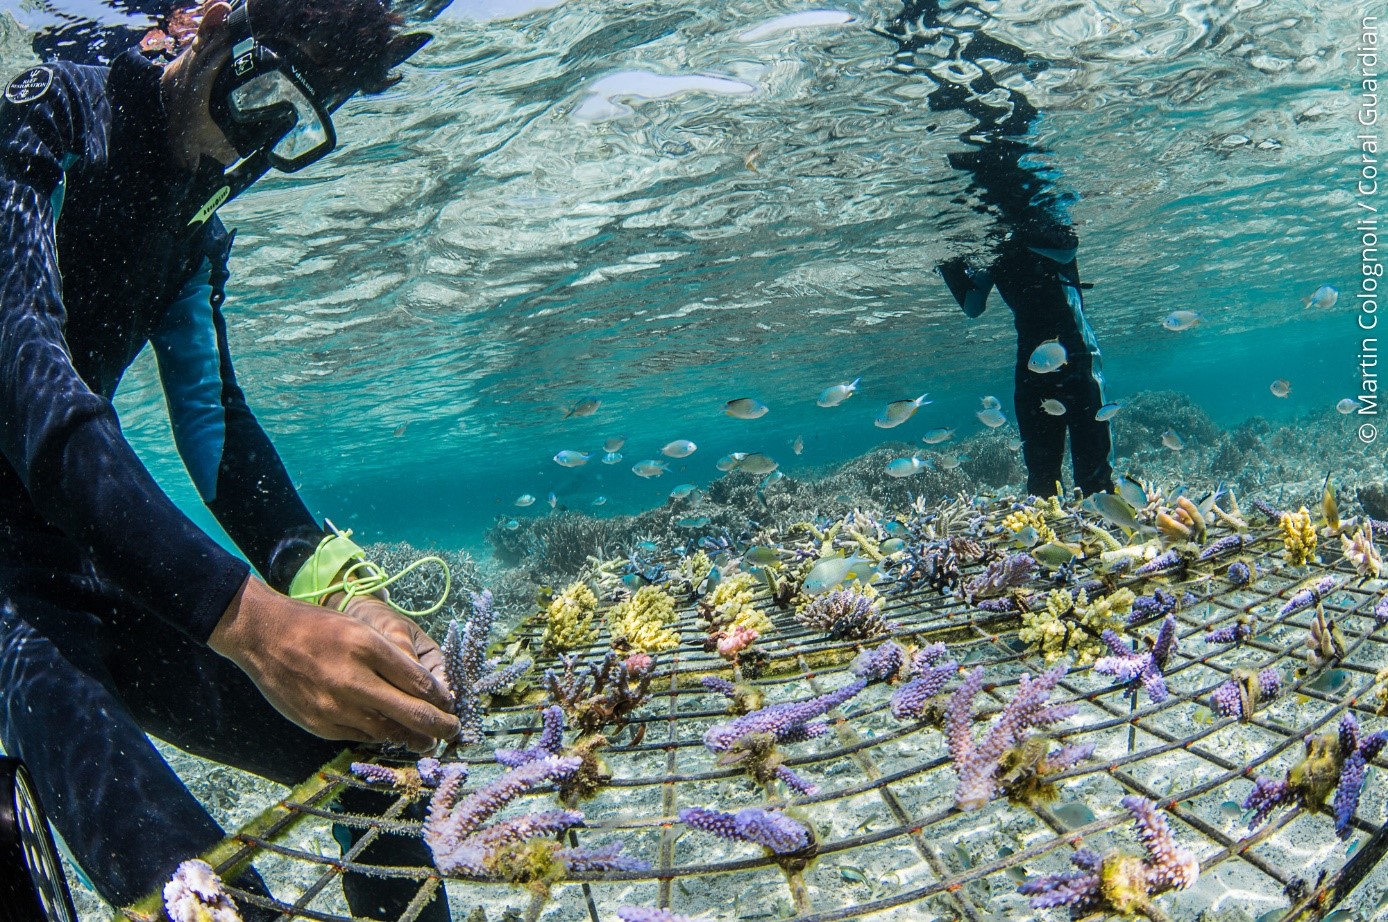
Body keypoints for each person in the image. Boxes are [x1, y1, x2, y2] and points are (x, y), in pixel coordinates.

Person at [0, 1, 459, 918]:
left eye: (292, 118)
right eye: (264, 94)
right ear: (211, 23)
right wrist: (254, 624)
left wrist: (339, 592)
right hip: (16, 595)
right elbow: (22, 372)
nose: (251, 140)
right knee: (204, 896)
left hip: (73, 550)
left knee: (376, 766)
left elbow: (218, 429)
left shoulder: (194, 224)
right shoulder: (49, 119)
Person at [882, 0, 1115, 497]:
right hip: (1030, 363)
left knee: (1095, 477)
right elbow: (973, 306)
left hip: (1075, 355)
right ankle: (928, 45)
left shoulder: (1039, 229)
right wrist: (949, 262)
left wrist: (1011, 237)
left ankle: (977, 49)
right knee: (1040, 479)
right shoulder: (996, 246)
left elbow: (1066, 251)